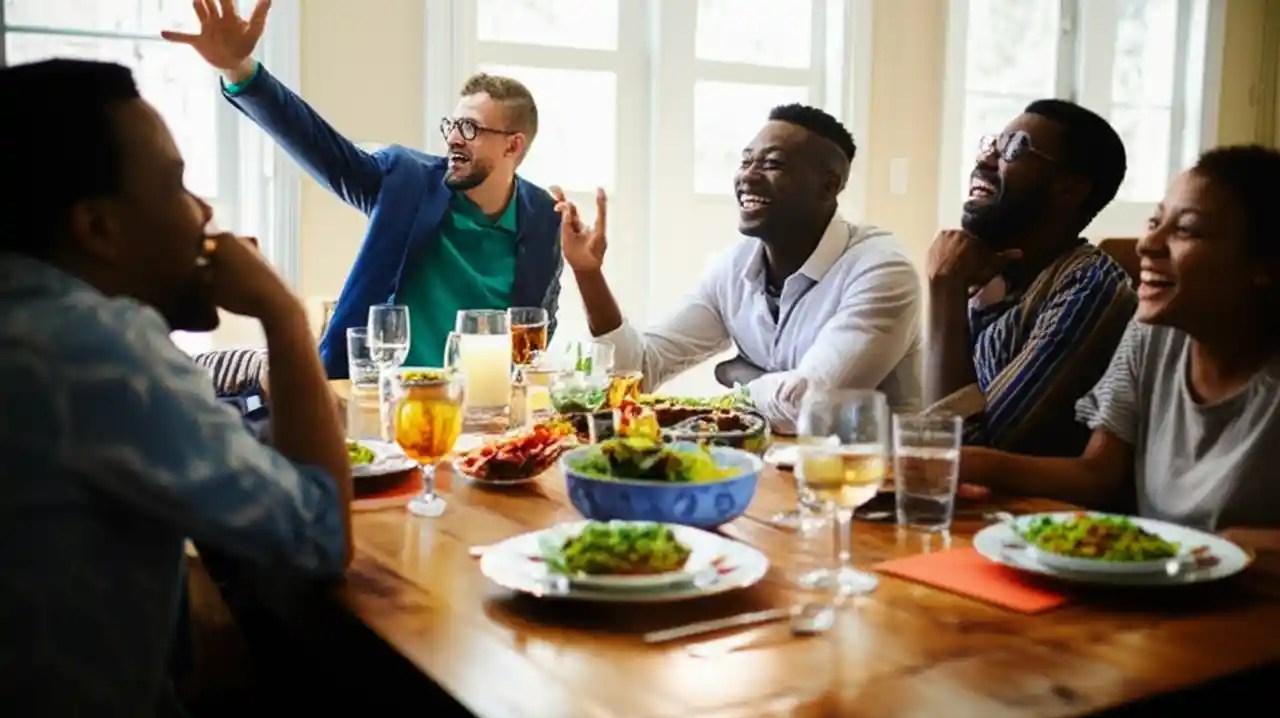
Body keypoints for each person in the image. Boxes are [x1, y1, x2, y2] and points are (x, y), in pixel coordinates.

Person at [0, 59, 352, 718]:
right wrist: (283, 315)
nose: (204, 213)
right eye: (177, 184)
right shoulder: (96, 345)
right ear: (97, 227)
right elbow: (320, 537)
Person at [163, 0, 564, 377]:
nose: (454, 139)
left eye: (471, 128)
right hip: (374, 396)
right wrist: (240, 71)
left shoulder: (545, 217)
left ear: (513, 145)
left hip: (482, 414)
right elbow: (320, 147)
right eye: (452, 126)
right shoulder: (406, 181)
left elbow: (537, 329)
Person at [962, 145, 1280, 536]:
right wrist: (965, 462)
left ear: (1265, 265)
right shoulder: (1150, 335)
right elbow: (1096, 475)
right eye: (1155, 222)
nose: (1146, 245)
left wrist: (1244, 546)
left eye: (1186, 230)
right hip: (1155, 581)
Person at [555, 103, 922, 432]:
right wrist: (589, 274)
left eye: (772, 163)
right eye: (746, 161)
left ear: (828, 187)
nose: (748, 176)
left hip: (877, 488)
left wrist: (740, 379)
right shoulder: (733, 267)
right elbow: (638, 370)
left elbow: (811, 407)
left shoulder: (881, 271)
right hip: (774, 476)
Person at [925, 99, 1137, 456]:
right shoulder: (994, 279)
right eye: (992, 144)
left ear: (1070, 189)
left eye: (1013, 147)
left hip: (1047, 512)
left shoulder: (1088, 287)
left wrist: (945, 291)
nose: (985, 160)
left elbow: (963, 450)